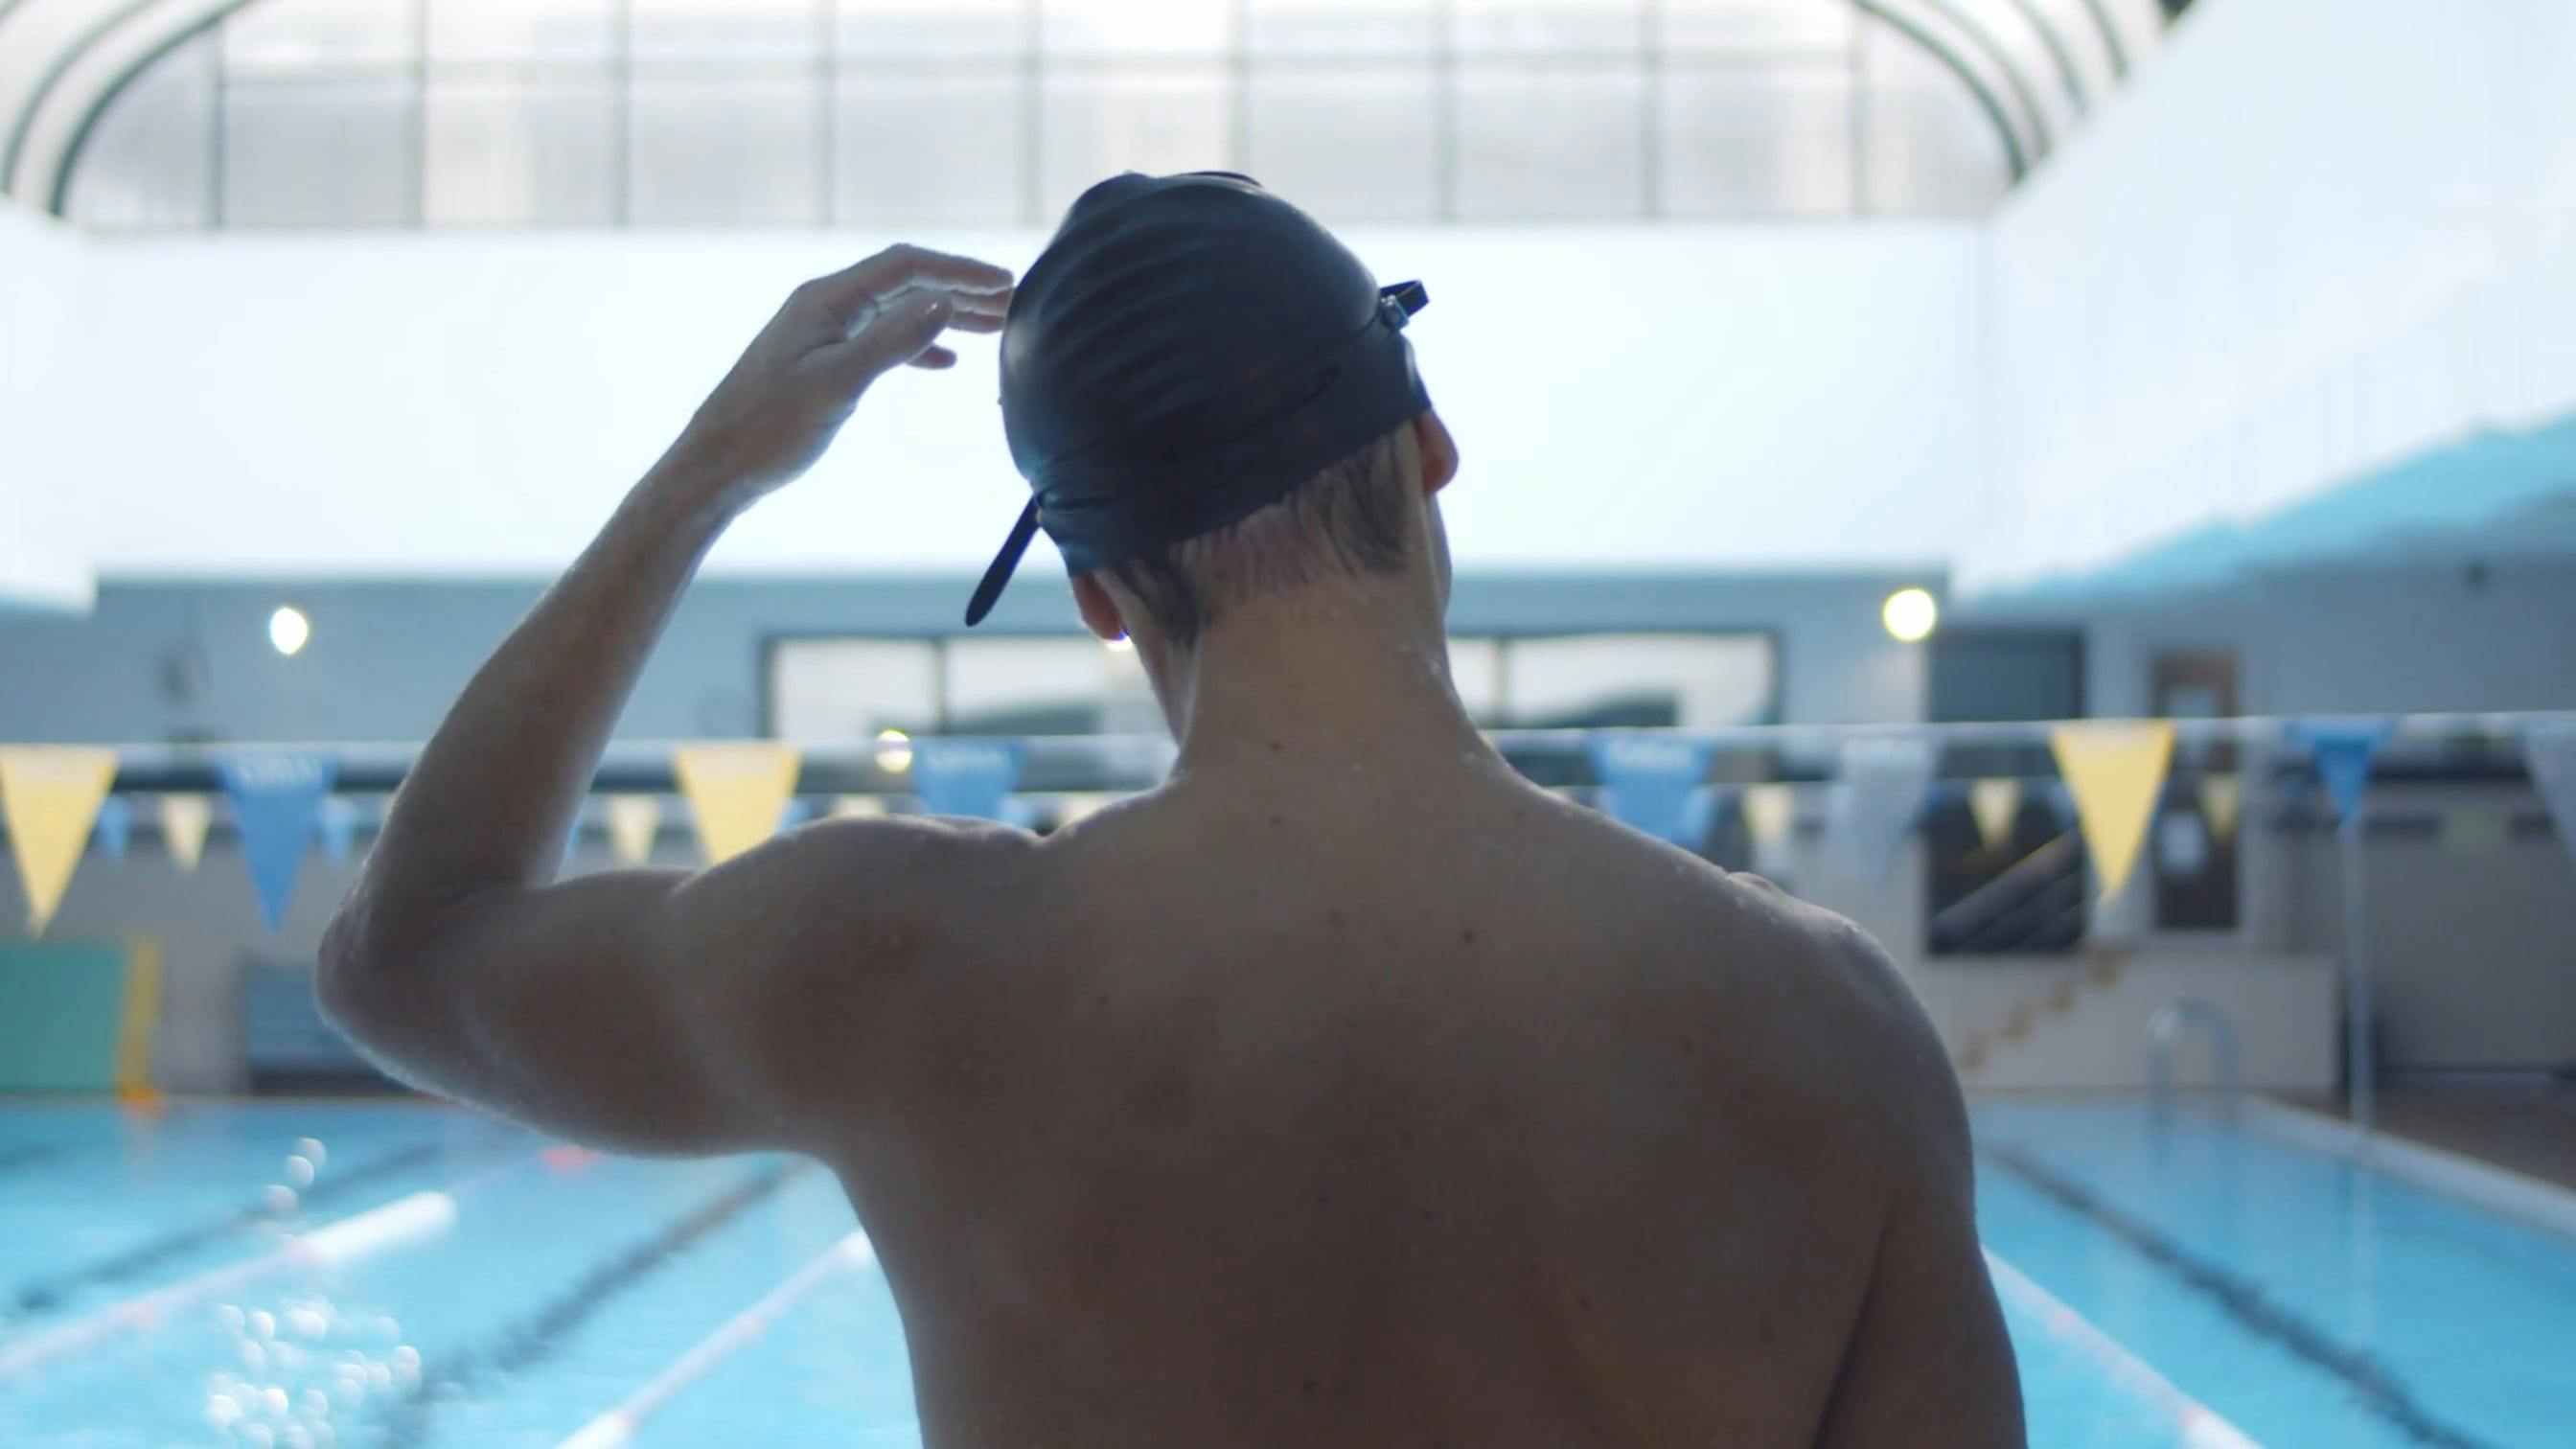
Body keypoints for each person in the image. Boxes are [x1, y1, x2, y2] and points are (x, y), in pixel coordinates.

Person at [319, 173, 2023, 1447]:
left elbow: (404, 958)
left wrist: (705, 474)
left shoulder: (901, 960)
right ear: (1427, 450)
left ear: (1100, 595)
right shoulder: (1824, 1023)